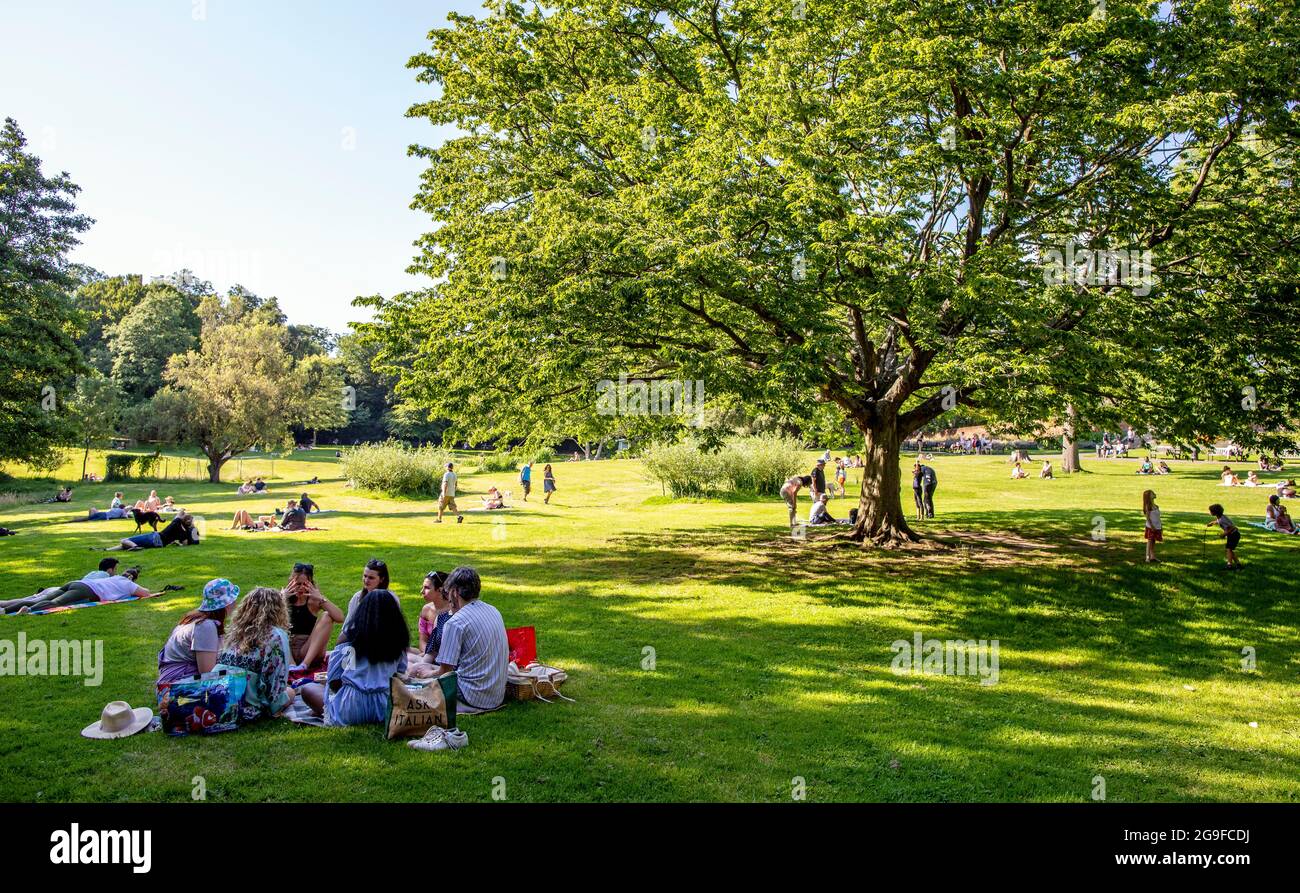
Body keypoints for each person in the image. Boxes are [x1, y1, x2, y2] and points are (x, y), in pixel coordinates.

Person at [298, 589, 409, 725]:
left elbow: (334, 681)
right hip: (385, 707)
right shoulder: (398, 639)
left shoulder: (348, 637)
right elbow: (400, 673)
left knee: (308, 689)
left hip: (351, 706)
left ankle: (328, 712)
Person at [426, 566, 507, 714]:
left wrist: (424, 674)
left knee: (419, 677)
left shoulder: (455, 623)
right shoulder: (494, 611)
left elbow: (444, 673)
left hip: (472, 696)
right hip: (497, 695)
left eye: (448, 593)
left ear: (455, 593)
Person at [216, 586, 294, 721]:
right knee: (290, 692)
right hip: (246, 704)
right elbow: (276, 680)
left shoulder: (236, 631)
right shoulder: (276, 635)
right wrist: (275, 705)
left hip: (218, 696)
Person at [156, 579, 239, 686]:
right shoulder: (205, 626)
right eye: (233, 600)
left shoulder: (196, 618)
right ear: (227, 604)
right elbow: (207, 673)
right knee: (243, 677)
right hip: (177, 688)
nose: (235, 604)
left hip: (172, 682)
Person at [1, 568, 159, 615]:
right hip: (87, 590)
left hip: (77, 583)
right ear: (132, 578)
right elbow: (145, 593)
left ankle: (5, 610)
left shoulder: (115, 578)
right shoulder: (127, 584)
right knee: (55, 603)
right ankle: (28, 610)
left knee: (38, 598)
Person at [284, 563, 344, 671]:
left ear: (311, 584)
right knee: (274, 622)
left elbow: (339, 617)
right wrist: (281, 599)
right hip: (287, 651)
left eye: (305, 584)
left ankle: (304, 665)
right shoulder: (284, 599)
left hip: (308, 650)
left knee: (327, 616)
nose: (301, 588)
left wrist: (321, 599)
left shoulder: (314, 600)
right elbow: (265, 621)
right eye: (298, 584)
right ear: (291, 582)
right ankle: (291, 665)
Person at [339, 558, 396, 636]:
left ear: (382, 579)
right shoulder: (357, 597)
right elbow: (347, 627)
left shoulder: (391, 598)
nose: (366, 580)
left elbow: (394, 627)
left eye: (371, 578)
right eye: (365, 576)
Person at [407, 571, 452, 667]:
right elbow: (422, 641)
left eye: (427, 588)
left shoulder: (453, 611)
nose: (422, 591)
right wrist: (426, 654)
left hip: (445, 660)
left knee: (407, 659)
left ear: (440, 590)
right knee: (401, 651)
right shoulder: (426, 610)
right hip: (428, 653)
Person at [109, 511, 198, 550]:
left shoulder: (177, 522)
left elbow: (181, 512)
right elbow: (185, 544)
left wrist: (187, 516)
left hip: (154, 537)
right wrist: (191, 526)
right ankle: (106, 550)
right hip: (159, 544)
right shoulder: (184, 533)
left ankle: (135, 547)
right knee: (125, 545)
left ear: (183, 519)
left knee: (124, 540)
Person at [1207, 504, 1242, 570]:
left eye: (1210, 511)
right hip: (1232, 535)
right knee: (1230, 550)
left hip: (1234, 535)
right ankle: (1238, 564)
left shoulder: (1222, 519)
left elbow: (1232, 527)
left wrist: (1224, 534)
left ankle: (1229, 565)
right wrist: (1212, 523)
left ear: (1215, 512)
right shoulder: (1221, 517)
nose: (1210, 512)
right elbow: (1218, 521)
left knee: (1228, 549)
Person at [1142, 489, 1162, 563]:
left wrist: (1160, 526)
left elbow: (1158, 517)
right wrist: (1152, 526)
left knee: (1153, 541)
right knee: (1150, 541)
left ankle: (1152, 556)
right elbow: (1148, 518)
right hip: (1151, 527)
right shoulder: (1148, 506)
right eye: (1152, 493)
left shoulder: (1156, 506)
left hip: (1157, 526)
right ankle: (1147, 557)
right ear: (1149, 497)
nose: (1154, 494)